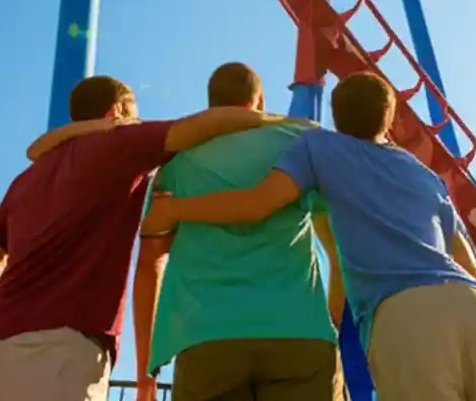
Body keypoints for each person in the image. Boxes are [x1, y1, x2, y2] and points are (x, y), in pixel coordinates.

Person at [143, 71, 476, 401]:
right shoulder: (421, 173)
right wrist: (331, 315)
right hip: (470, 304)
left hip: (398, 311)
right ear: (391, 117)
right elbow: (463, 254)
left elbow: (256, 204)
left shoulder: (316, 148)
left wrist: (174, 210)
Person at [0, 75, 294, 401]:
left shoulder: (25, 180)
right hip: (58, 349)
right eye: (133, 112)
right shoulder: (117, 144)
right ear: (116, 110)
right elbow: (203, 124)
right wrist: (285, 123)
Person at [126, 62, 348, 401]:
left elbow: (149, 267)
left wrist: (145, 373)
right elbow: (340, 248)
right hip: (300, 332)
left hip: (206, 340)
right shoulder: (298, 141)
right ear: (259, 101)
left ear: (212, 106)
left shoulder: (176, 167)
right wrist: (330, 319)